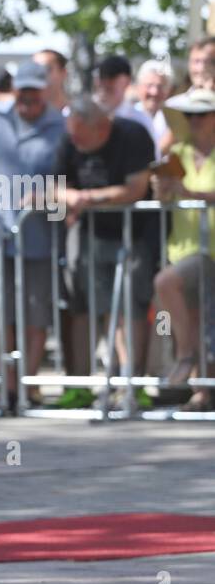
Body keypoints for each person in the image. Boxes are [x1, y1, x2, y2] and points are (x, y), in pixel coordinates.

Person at [0, 62, 66, 411]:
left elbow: (69, 181)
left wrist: (49, 196)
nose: (28, 101)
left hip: (38, 236)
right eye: (23, 94)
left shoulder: (60, 126)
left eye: (35, 94)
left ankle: (28, 385)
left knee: (35, 312)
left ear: (45, 92)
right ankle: (7, 384)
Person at [52, 96, 155, 406]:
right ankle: (83, 385)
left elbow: (136, 189)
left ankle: (131, 385)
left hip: (133, 236)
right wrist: (73, 196)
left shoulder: (133, 135)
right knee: (84, 308)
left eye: (81, 135)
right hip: (87, 238)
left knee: (129, 310)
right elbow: (55, 186)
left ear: (100, 126)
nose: (75, 141)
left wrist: (89, 198)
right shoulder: (70, 138)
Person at [153, 87, 215, 410]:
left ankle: (186, 357)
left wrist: (190, 191)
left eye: (201, 114)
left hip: (210, 251)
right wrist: (162, 187)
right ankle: (202, 390)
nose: (194, 121)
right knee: (195, 317)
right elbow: (163, 198)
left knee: (168, 283)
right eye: (189, 115)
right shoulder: (177, 152)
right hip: (184, 248)